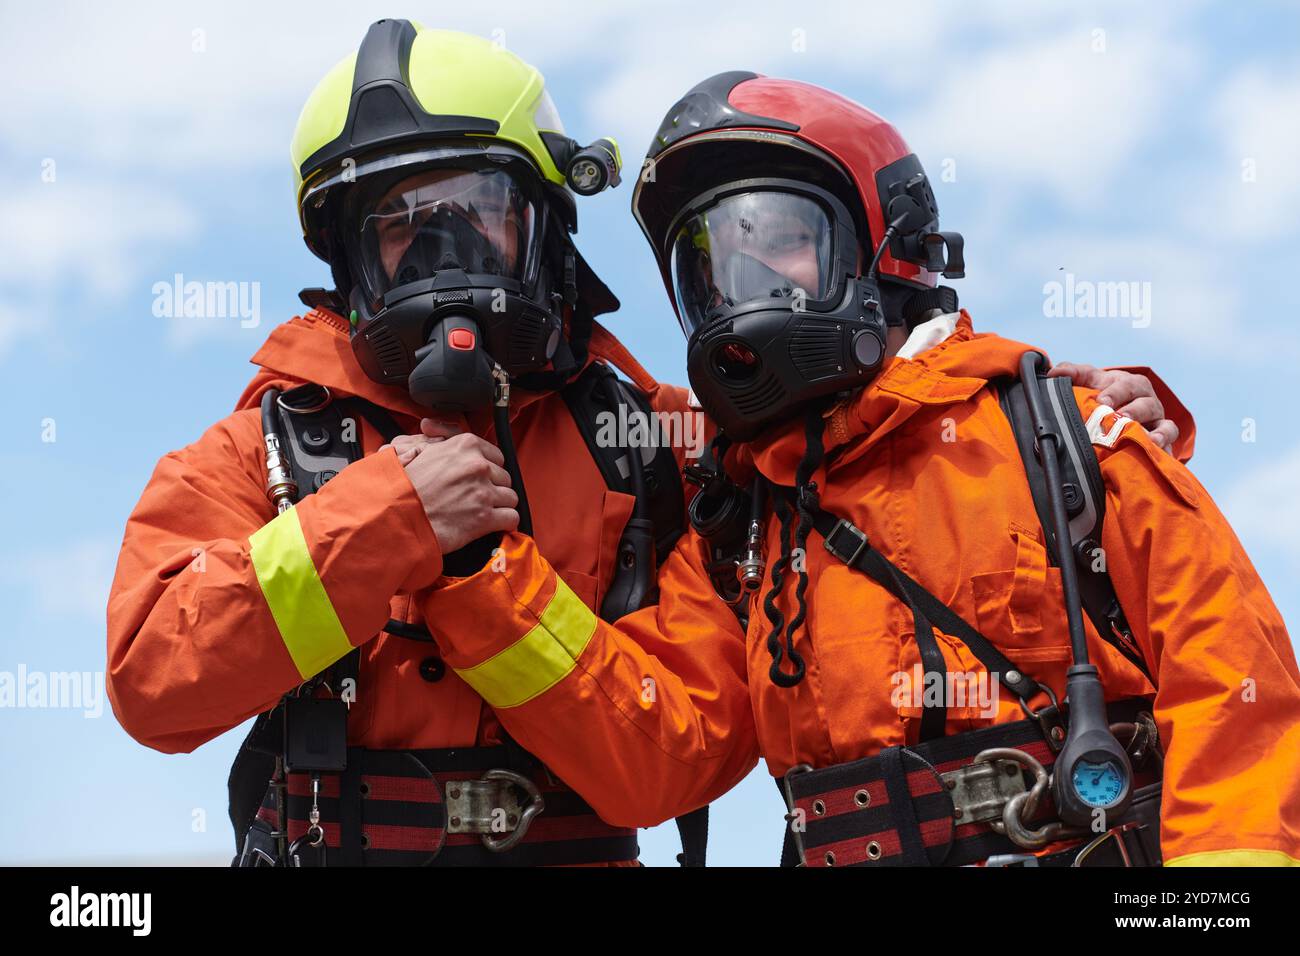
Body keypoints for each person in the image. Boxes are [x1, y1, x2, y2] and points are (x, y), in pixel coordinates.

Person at [105, 19, 1190, 868]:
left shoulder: (659, 443)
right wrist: (387, 520)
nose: (438, 247)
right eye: (397, 224)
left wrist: (1036, 410)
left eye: (472, 206)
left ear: (544, 221)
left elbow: (682, 747)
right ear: (347, 260)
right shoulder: (264, 450)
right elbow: (155, 684)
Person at [413, 72, 1299, 867]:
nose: (742, 282)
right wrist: (476, 573)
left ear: (888, 245)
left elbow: (1240, 717)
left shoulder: (1068, 443)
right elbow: (660, 755)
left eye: (779, 238)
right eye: (710, 260)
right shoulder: (740, 519)